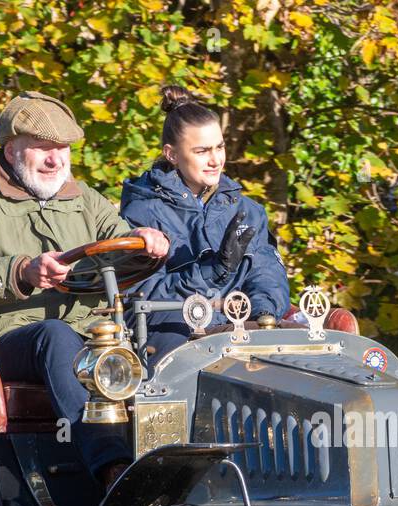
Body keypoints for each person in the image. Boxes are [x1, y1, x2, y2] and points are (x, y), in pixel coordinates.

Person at [0, 91, 170, 490]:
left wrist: (146, 240)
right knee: (55, 337)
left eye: (63, 149)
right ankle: (114, 473)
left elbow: (122, 245)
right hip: (4, 341)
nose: (56, 160)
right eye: (43, 148)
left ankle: (181, 470)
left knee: (167, 339)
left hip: (93, 337)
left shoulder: (86, 201)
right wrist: (20, 272)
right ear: (11, 149)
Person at [119, 85, 290, 359]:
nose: (215, 160)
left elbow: (267, 274)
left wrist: (262, 316)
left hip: (238, 329)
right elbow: (140, 297)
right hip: (172, 335)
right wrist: (212, 271)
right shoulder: (142, 213)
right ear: (171, 154)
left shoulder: (248, 210)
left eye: (219, 147)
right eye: (201, 151)